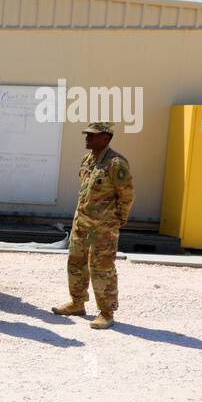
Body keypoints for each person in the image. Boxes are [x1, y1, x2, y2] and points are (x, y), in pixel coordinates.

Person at [52, 121, 134, 329]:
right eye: (87, 135)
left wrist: (118, 221)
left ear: (105, 138)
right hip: (82, 223)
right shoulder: (88, 160)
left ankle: (106, 312)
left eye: (92, 135)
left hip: (104, 227)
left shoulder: (116, 163)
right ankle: (77, 303)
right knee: (76, 263)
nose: (87, 138)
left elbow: (126, 195)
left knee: (102, 268)